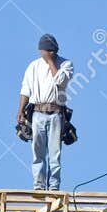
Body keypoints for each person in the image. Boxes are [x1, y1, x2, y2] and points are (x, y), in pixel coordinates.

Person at [17, 34, 74, 190]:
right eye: (48, 51)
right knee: (38, 153)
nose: (52, 54)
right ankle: (39, 185)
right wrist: (20, 110)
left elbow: (60, 80)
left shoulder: (66, 64)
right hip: (37, 113)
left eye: (53, 51)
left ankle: (54, 186)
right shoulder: (33, 66)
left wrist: (50, 62)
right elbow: (26, 90)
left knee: (55, 154)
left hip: (56, 113)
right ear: (41, 50)